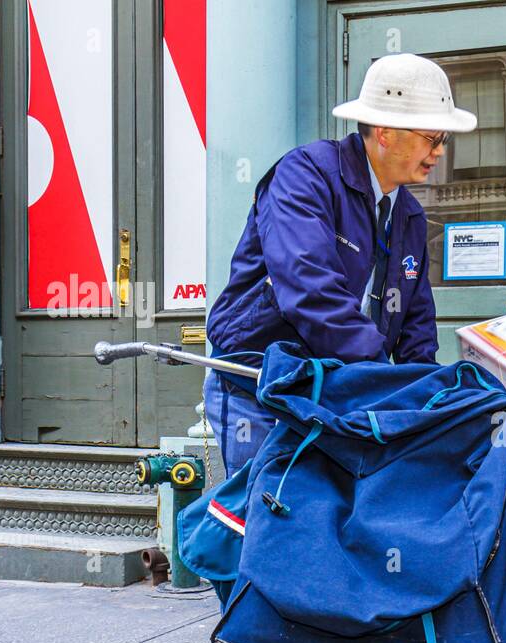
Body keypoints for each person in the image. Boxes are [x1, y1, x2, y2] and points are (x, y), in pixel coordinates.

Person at [204, 54, 477, 474]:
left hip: (335, 393)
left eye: (445, 140)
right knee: (259, 521)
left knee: (324, 528)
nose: (440, 151)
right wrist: (380, 377)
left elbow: (415, 328)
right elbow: (310, 289)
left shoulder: (409, 216)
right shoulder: (304, 175)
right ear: (386, 133)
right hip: (259, 383)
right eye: (433, 137)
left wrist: (425, 398)